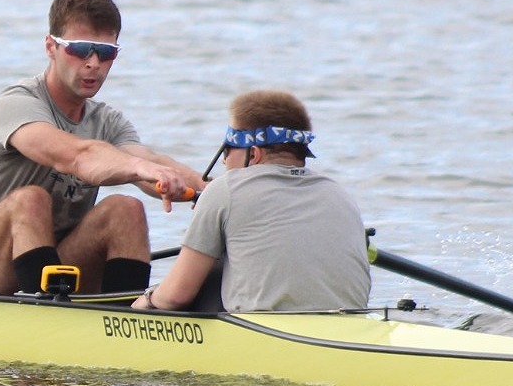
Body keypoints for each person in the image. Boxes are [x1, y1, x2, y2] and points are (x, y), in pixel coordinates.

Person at [0, 0, 202, 297]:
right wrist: (139, 168)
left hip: (57, 261)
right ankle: (45, 317)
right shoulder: (16, 105)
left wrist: (216, 190)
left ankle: (124, 322)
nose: (93, 63)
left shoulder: (107, 121)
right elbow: (76, 157)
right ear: (51, 47)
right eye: (80, 49)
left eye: (106, 52)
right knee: (31, 200)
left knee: (126, 209)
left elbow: (152, 161)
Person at [136, 90, 370, 313]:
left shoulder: (225, 190)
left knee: (210, 275)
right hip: (350, 328)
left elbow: (176, 296)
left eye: (227, 152)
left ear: (254, 154)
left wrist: (144, 302)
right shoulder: (341, 195)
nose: (225, 162)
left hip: (267, 338)